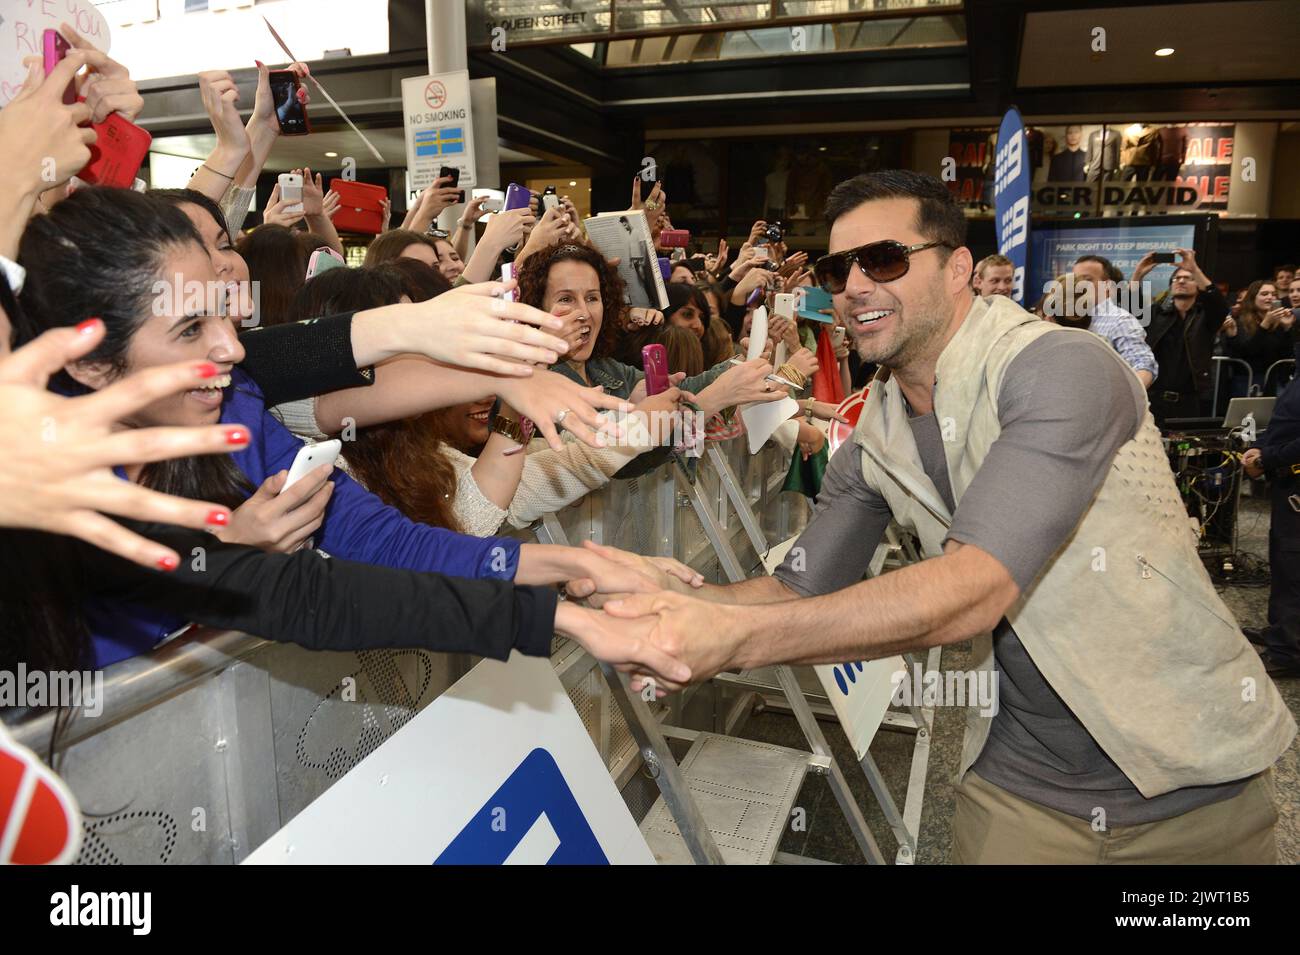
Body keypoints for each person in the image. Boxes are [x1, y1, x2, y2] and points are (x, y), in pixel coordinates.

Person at [601, 169, 1294, 864]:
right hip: (1020, 791)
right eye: (840, 270)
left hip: (1190, 790)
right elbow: (798, 584)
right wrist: (670, 610)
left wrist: (731, 637)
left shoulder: (1060, 366)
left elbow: (975, 585)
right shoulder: (878, 423)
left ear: (959, 267)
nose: (857, 288)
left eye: (885, 260)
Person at [13, 187, 695, 669]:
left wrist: (570, 571)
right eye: (193, 328)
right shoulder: (36, 495)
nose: (232, 346)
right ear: (94, 364)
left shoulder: (235, 406)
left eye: (226, 313)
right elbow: (298, 593)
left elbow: (370, 546)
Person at [1130, 249, 1229, 424]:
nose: (1181, 281)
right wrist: (1138, 274)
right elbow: (1130, 310)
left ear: (1197, 286)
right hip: (1153, 397)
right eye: (1177, 278)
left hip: (1189, 400)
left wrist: (1195, 269)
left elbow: (1219, 306)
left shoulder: (1205, 317)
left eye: (1187, 278)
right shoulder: (1156, 314)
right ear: (1170, 286)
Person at [1242, 379, 1300, 678]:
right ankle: (1281, 630)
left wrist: (1267, 458)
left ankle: (1288, 650)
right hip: (1286, 476)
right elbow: (1287, 423)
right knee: (1282, 556)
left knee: (1292, 561)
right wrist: (1261, 447)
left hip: (1294, 474)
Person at [1072, 255, 1157, 387]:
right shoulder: (1069, 317)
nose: (1080, 286)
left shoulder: (1120, 320)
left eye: (1087, 280)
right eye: (1075, 280)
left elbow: (1143, 364)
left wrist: (1122, 400)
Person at [1221, 280, 1293, 395]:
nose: (1270, 297)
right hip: (1248, 381)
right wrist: (1265, 324)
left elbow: (1287, 355)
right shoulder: (1241, 322)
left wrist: (1287, 328)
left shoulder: (1278, 322)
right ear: (1252, 298)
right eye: (1264, 294)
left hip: (1275, 381)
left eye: (1274, 294)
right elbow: (1247, 351)